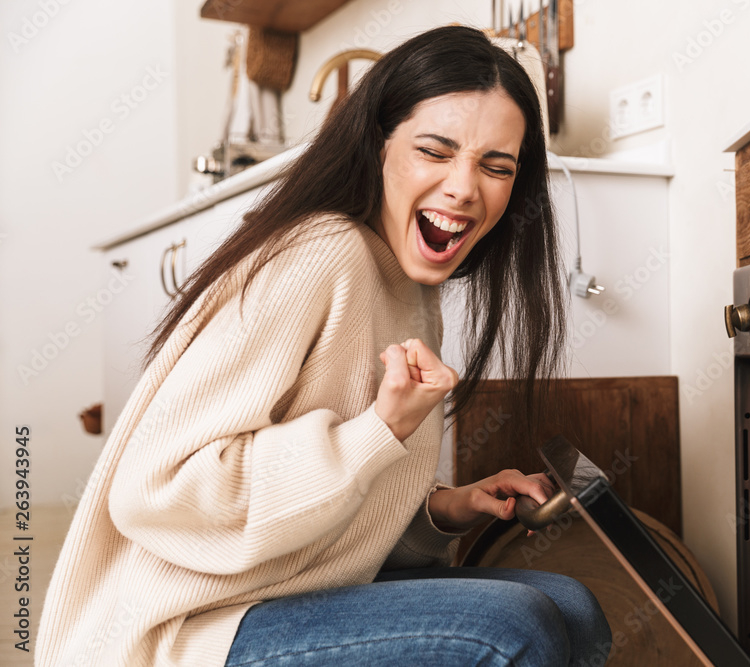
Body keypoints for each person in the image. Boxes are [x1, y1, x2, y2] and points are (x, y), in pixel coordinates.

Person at [37, 24, 612, 667]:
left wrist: (448, 508)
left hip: (284, 593)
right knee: (514, 627)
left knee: (573, 607)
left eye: (496, 166)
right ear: (378, 146)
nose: (464, 187)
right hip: (185, 629)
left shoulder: (412, 287)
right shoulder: (321, 255)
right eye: (435, 150)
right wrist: (376, 430)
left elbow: (328, 528)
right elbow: (156, 491)